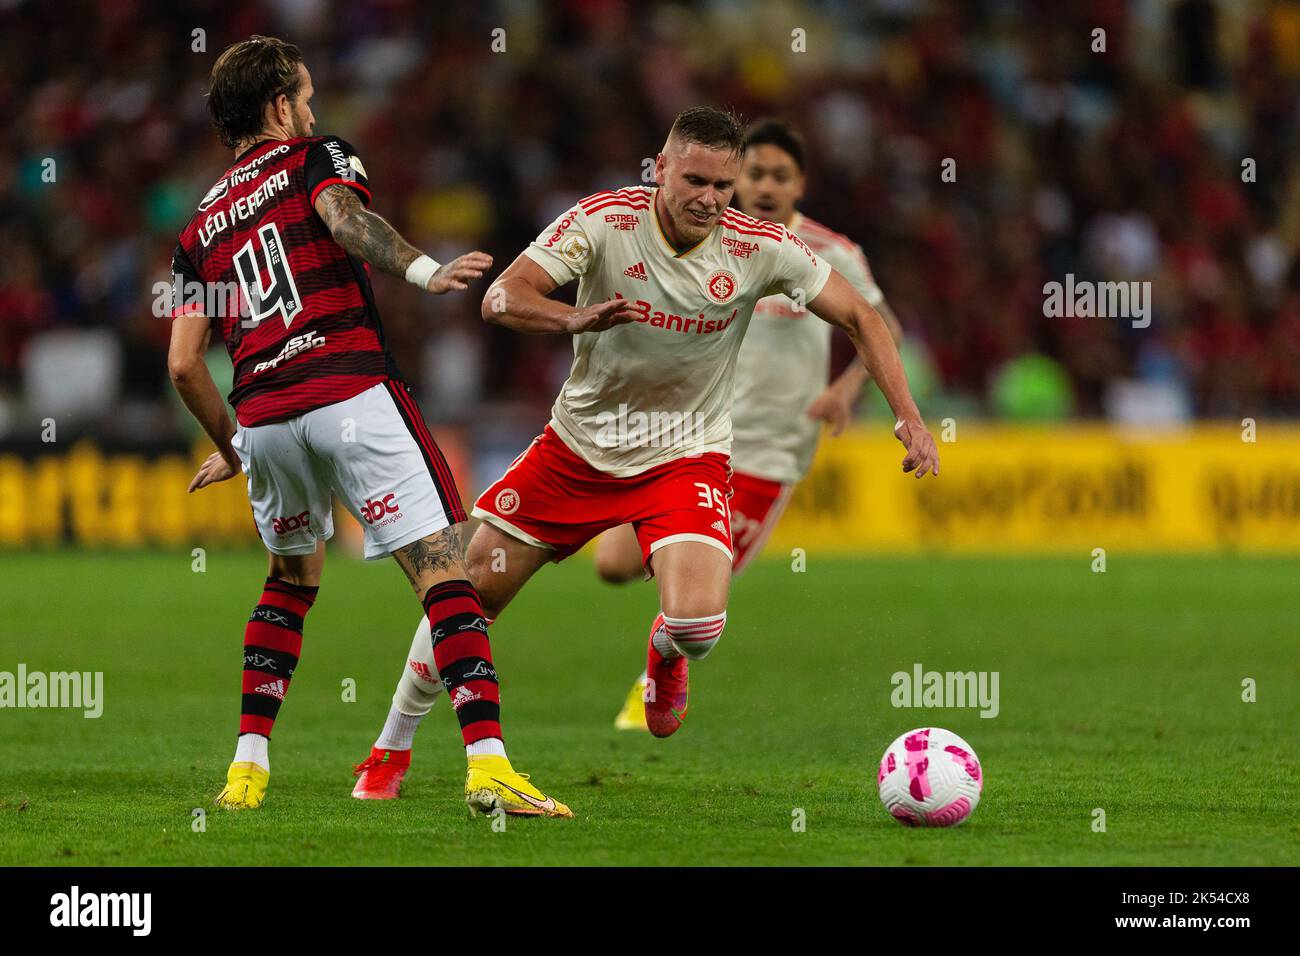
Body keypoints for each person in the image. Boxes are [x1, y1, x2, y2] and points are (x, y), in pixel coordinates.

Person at [351, 106, 937, 800]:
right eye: (695, 180)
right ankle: (389, 750)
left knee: (698, 626)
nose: (710, 199)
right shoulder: (604, 221)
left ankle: (663, 654)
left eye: (723, 186)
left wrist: (909, 416)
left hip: (684, 456)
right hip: (576, 450)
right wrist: (572, 316)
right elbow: (502, 298)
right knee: (468, 595)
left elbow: (862, 316)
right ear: (660, 169)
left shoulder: (759, 247)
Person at [168, 35, 570, 817]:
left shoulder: (198, 231)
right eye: (306, 97)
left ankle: (247, 771)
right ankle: (488, 766)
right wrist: (426, 271)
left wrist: (234, 447)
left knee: (290, 582)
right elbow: (343, 217)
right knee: (445, 570)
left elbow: (186, 364)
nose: (313, 109)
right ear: (280, 106)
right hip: (350, 390)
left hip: (265, 418)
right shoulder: (314, 157)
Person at [599, 118, 905, 728]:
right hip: (687, 434)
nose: (765, 186)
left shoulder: (831, 251)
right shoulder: (702, 241)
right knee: (613, 566)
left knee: (696, 615)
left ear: (800, 185)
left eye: (780, 176)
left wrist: (846, 389)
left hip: (770, 449)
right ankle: (670, 626)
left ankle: (660, 664)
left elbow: (883, 327)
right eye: (756, 173)